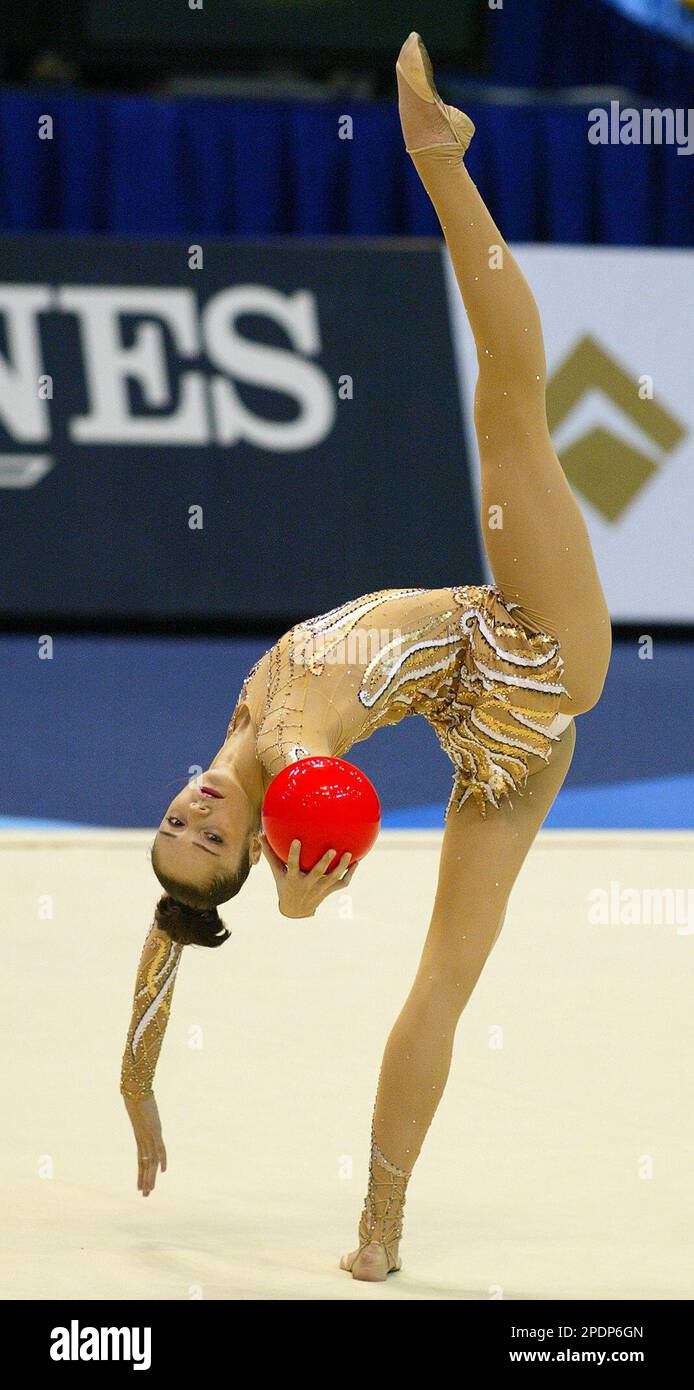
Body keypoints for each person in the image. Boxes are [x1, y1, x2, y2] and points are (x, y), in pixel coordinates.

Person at [120, 33, 611, 1283]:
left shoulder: (235, 761)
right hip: (533, 653)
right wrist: (297, 872)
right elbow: (300, 834)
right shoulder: (288, 761)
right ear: (260, 833)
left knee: (441, 988)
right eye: (212, 834)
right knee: (509, 401)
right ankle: (440, 162)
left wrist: (137, 1078)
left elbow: (178, 919)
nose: (194, 811)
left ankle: (379, 1233)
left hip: (489, 738)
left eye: (177, 819)